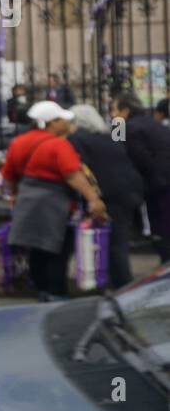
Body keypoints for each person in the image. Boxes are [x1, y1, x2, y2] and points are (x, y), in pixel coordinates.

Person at [2, 101, 106, 300]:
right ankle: (56, 293)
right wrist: (94, 199)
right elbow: (73, 176)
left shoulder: (18, 142)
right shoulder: (59, 144)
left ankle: (41, 289)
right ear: (51, 122)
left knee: (35, 248)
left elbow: (9, 176)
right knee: (57, 250)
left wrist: (15, 195)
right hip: (54, 204)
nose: (67, 123)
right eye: (62, 119)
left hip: (27, 201)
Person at [69, 104, 142, 288]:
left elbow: (80, 169)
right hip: (129, 190)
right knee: (118, 240)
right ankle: (120, 283)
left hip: (111, 194)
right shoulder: (108, 135)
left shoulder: (78, 138)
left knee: (115, 244)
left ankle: (123, 286)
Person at [111, 91, 170, 261]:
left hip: (156, 184)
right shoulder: (152, 123)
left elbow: (119, 152)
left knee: (159, 228)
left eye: (114, 110)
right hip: (163, 181)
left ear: (126, 111)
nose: (112, 115)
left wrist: (116, 123)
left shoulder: (128, 127)